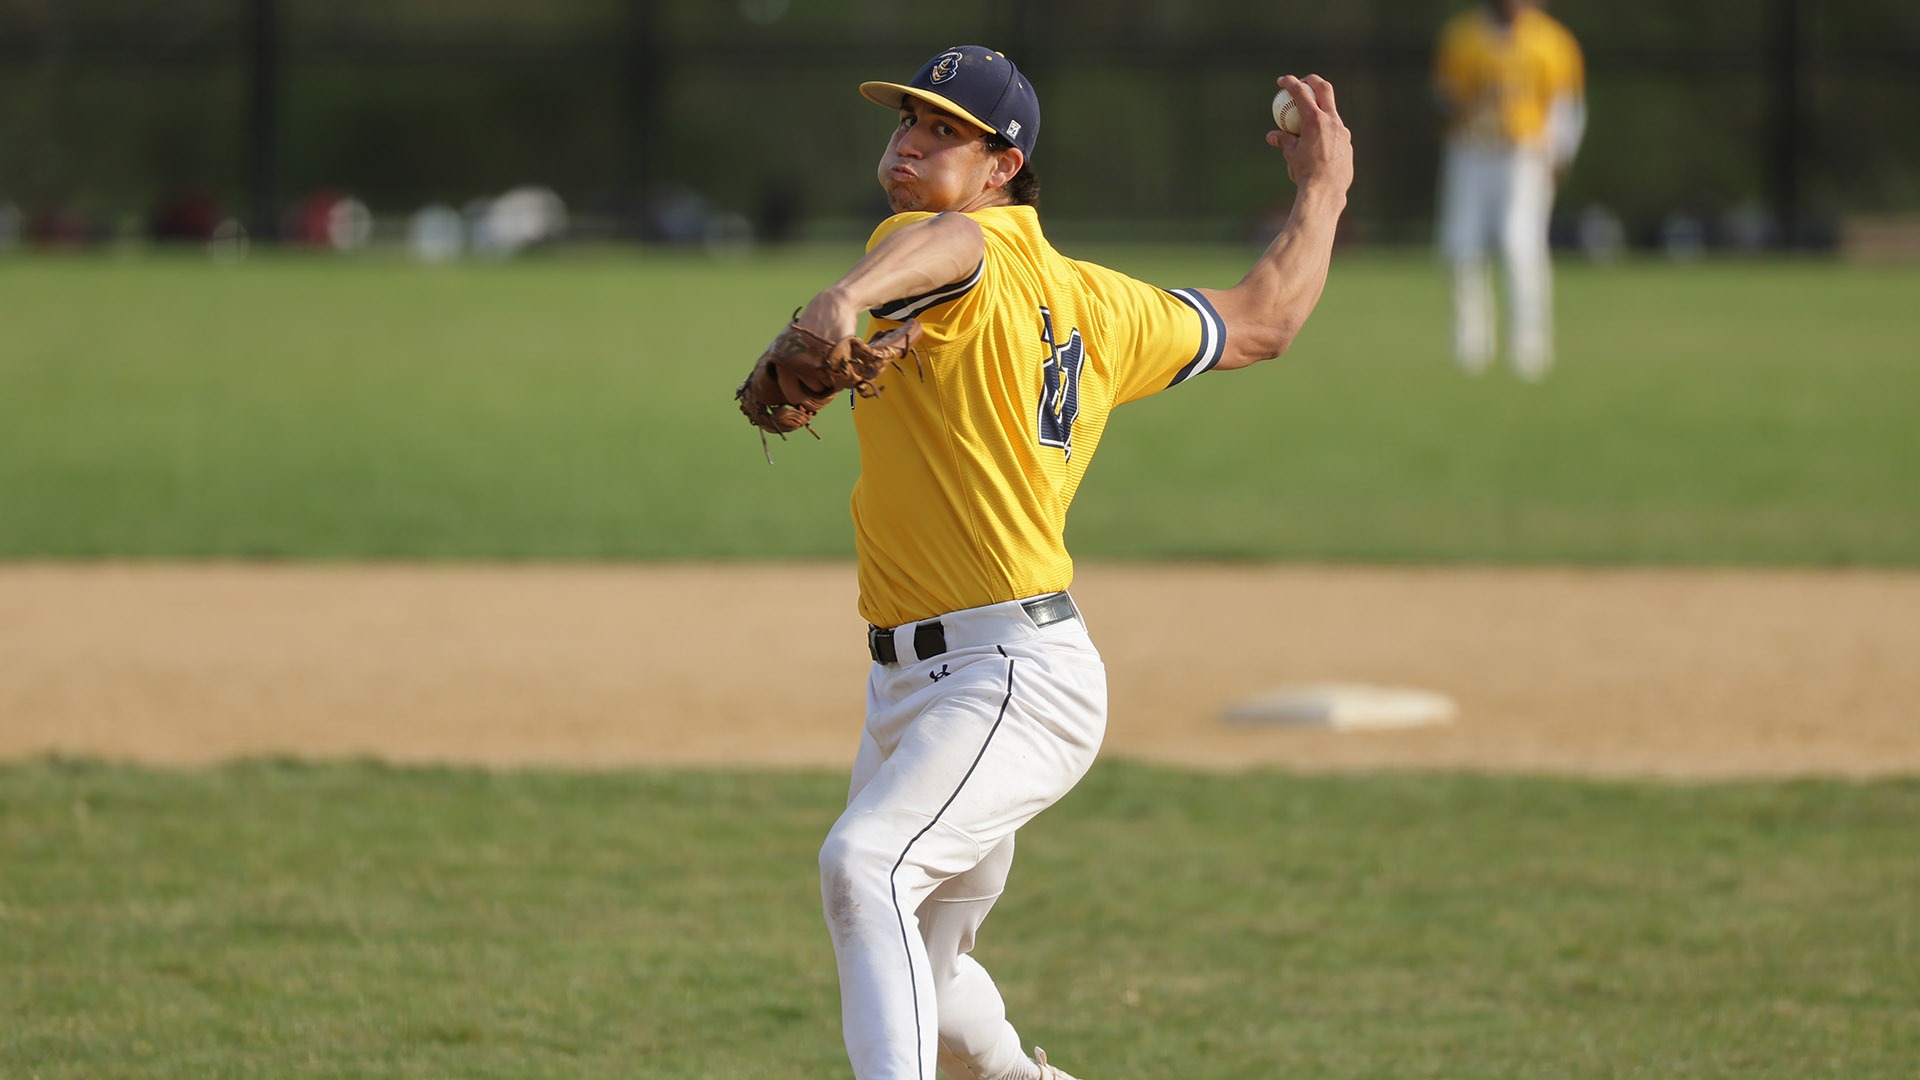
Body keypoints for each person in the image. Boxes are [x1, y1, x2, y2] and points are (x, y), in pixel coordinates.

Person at [760, 45, 1352, 1080]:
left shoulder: (942, 244)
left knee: (865, 865)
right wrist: (1327, 189)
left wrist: (848, 293)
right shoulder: (1101, 301)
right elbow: (1264, 317)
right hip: (922, 689)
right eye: (907, 122)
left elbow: (954, 248)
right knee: (930, 983)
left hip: (1006, 682)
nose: (910, 142)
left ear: (1005, 167)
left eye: (946, 131)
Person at [1432, 0, 1586, 380]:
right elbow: (1443, 94)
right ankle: (1470, 347)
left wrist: (1560, 154)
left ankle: (1529, 346)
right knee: (1462, 245)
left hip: (1524, 152)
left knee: (1520, 244)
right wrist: (1464, 105)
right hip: (1470, 149)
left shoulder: (1552, 40)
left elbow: (1565, 106)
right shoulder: (1464, 34)